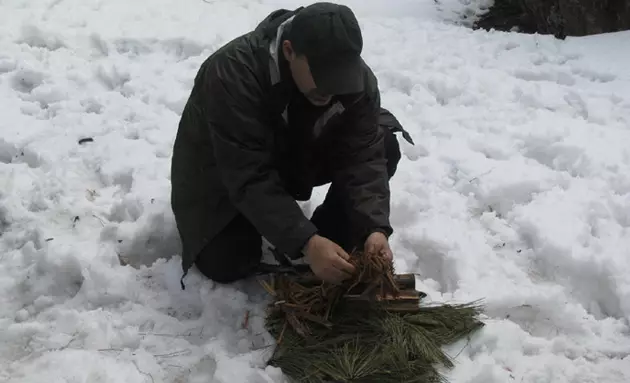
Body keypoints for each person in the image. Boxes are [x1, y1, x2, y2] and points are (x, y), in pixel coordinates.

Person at [170, 2, 413, 288]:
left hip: (292, 157)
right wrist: (305, 241)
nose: (332, 89)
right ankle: (302, 239)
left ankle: (329, 235)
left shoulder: (357, 81)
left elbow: (364, 157)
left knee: (384, 145)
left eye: (340, 78)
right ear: (289, 51)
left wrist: (374, 227)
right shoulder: (233, 71)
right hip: (220, 172)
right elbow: (247, 174)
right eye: (323, 77)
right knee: (227, 262)